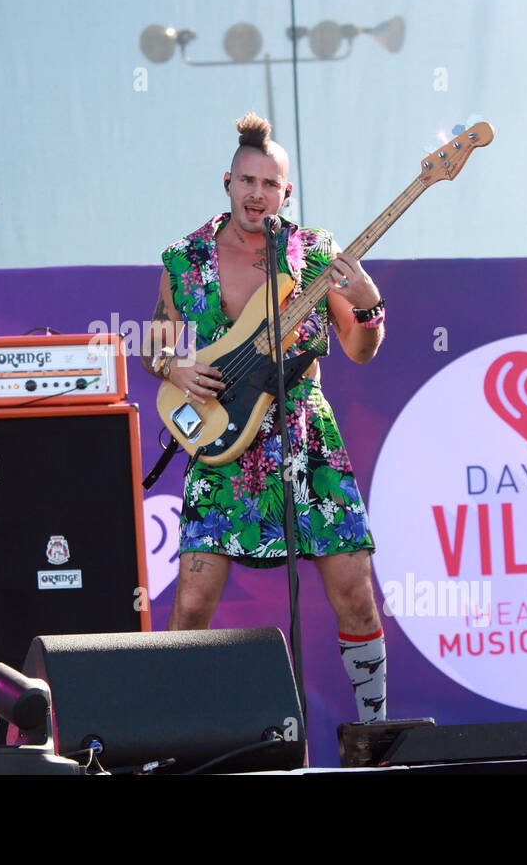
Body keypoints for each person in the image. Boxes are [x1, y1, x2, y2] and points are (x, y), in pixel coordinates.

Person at [144, 112, 388, 723]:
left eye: (270, 184)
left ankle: (376, 734)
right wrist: (172, 369)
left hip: (305, 433)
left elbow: (360, 350)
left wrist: (370, 304)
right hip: (222, 435)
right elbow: (155, 342)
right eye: (247, 181)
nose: (257, 194)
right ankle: (174, 734)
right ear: (228, 182)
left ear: (286, 193)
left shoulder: (315, 255)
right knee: (194, 602)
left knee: (355, 595)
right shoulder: (186, 258)